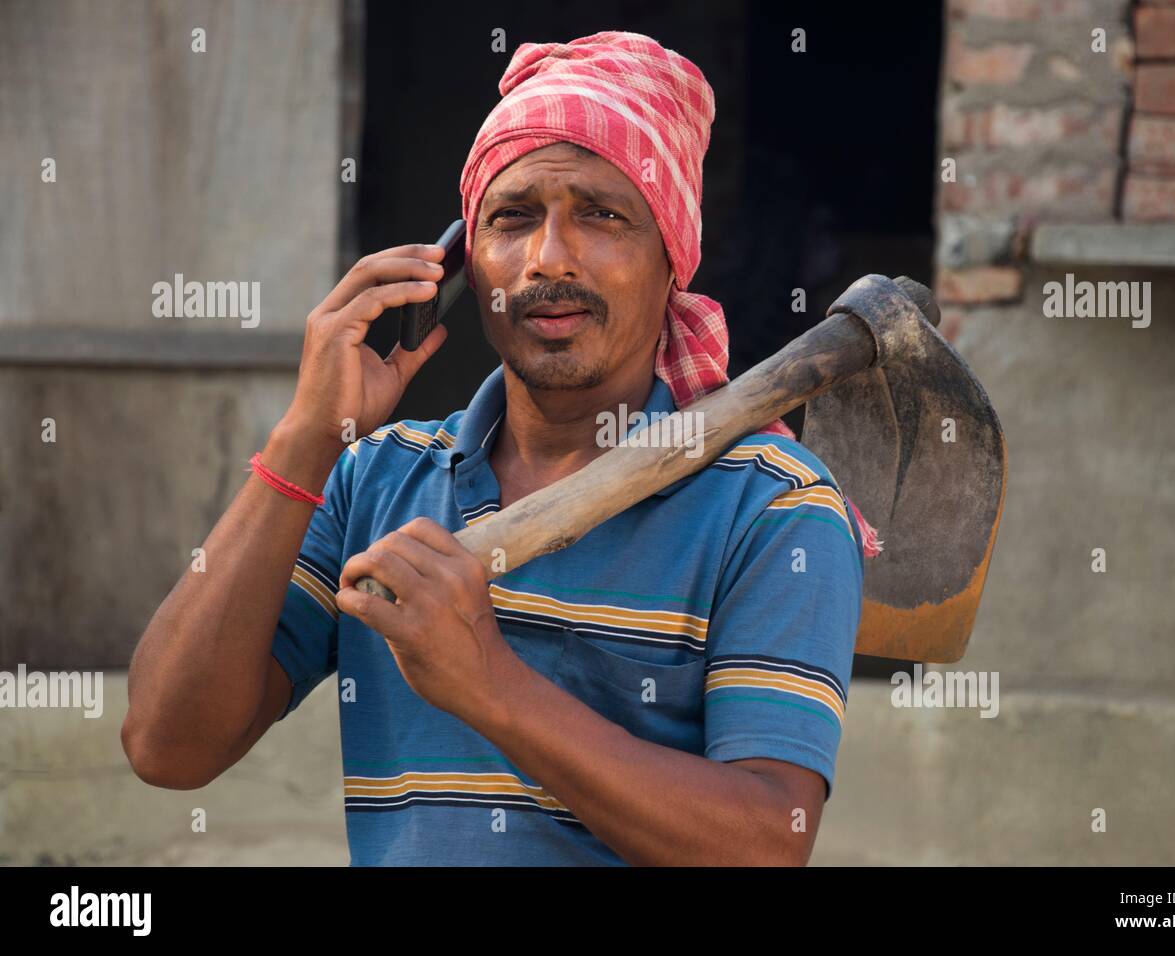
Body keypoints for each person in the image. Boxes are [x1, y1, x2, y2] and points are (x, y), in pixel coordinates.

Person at [122, 30, 876, 866]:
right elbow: (166, 747)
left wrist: (489, 684)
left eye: (602, 215)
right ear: (459, 265)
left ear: (673, 259)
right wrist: (305, 439)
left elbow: (771, 844)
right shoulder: (375, 478)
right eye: (512, 218)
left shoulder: (770, 504)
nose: (549, 258)